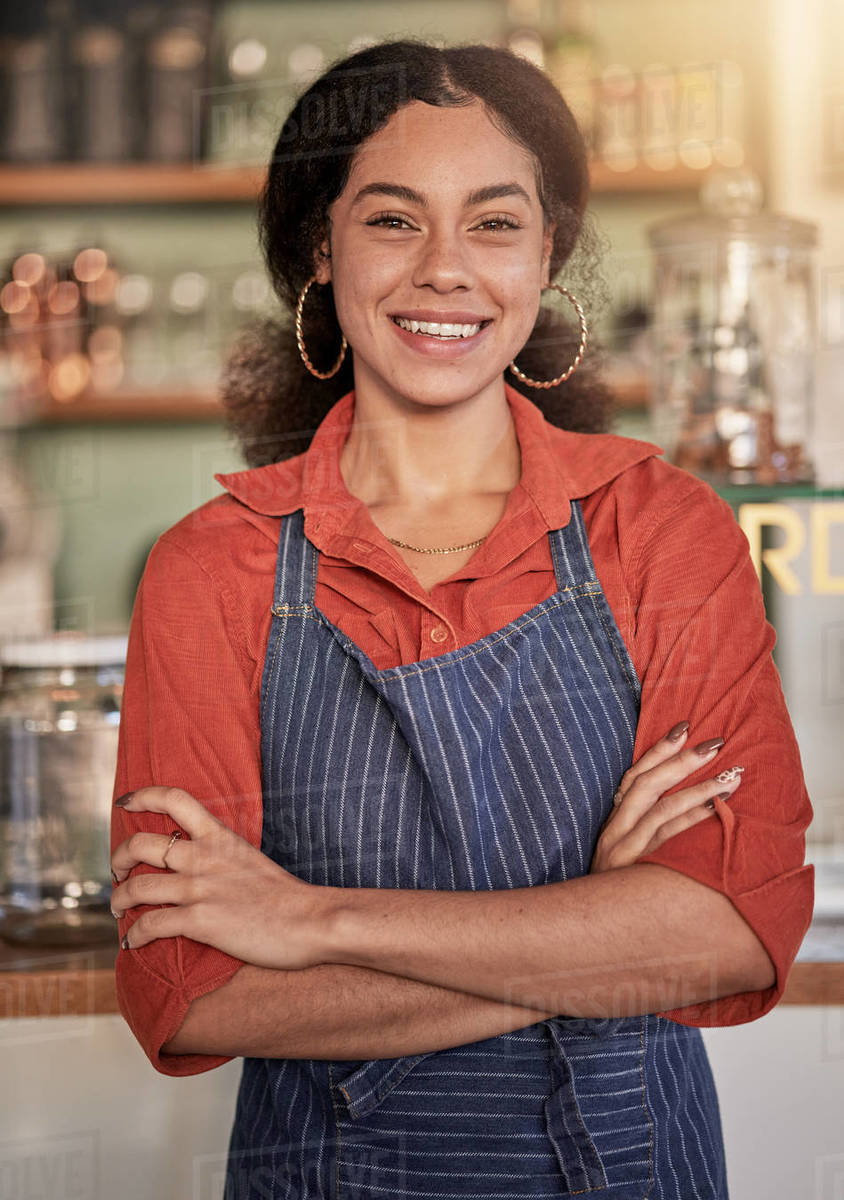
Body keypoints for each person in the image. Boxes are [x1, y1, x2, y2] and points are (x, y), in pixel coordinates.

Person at [109, 39, 814, 1200]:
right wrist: (603, 928)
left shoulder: (662, 527)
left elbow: (738, 934)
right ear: (318, 250)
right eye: (393, 220)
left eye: (493, 223)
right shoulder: (211, 570)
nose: (447, 269)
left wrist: (308, 919)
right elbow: (193, 994)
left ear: (548, 254)